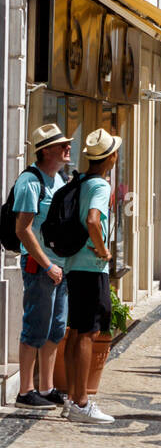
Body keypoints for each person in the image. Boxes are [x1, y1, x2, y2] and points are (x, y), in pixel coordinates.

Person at [12, 123, 72, 412]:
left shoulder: (59, 179)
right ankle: (25, 391)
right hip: (39, 266)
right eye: (62, 145)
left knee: (55, 328)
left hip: (59, 267)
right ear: (46, 150)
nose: (67, 147)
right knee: (35, 328)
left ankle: (46, 388)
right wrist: (48, 265)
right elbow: (23, 229)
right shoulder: (31, 182)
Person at [64, 129, 122, 424]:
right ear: (111, 157)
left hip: (75, 265)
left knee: (75, 331)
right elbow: (92, 220)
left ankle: (72, 398)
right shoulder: (100, 185)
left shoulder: (82, 181)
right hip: (90, 267)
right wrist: (103, 251)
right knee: (88, 333)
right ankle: (82, 402)